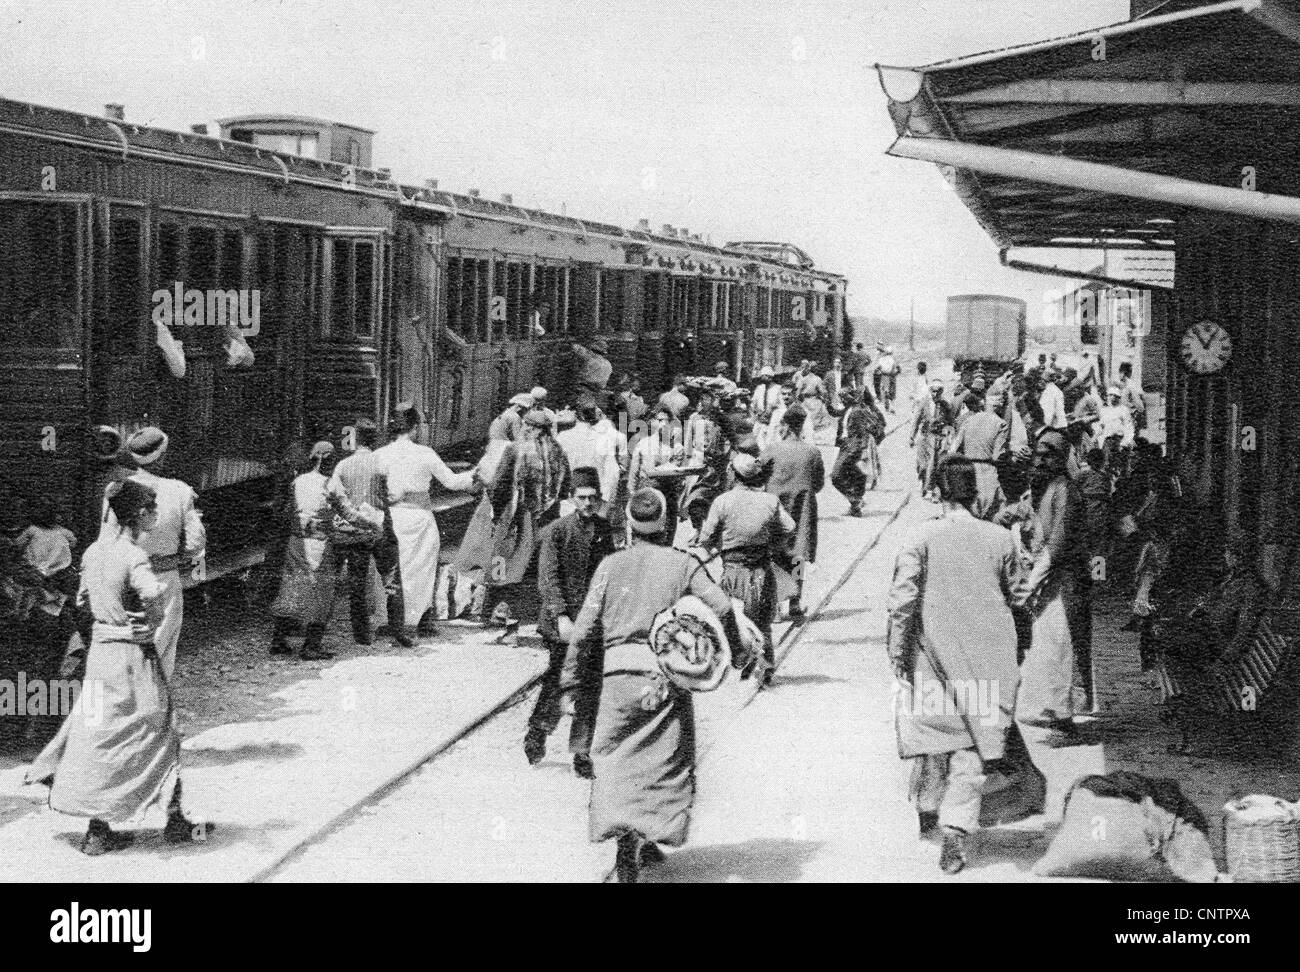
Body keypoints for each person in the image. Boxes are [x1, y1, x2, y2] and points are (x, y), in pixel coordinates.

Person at [559, 487, 758, 882]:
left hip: (616, 681)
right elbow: (722, 606)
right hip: (663, 680)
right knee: (664, 760)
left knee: (614, 761)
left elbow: (584, 629)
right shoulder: (683, 564)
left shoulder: (610, 566)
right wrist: (737, 652)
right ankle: (645, 834)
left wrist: (570, 682)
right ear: (665, 525)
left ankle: (626, 838)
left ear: (630, 526)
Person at [27, 479, 212, 855]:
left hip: (101, 654)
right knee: (160, 730)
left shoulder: (94, 551)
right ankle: (175, 821)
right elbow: (154, 595)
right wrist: (146, 622)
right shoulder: (134, 556)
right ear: (139, 514)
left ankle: (98, 831)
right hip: (132, 655)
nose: (156, 516)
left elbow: (82, 599)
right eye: (152, 510)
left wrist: (107, 617)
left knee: (101, 734)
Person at [886, 456, 1022, 874]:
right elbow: (1019, 597)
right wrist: (1016, 650)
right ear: (976, 495)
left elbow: (902, 601)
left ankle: (928, 806)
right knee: (971, 748)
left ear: (937, 494)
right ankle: (955, 831)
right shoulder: (1001, 538)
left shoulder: (920, 537)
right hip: (986, 661)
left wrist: (898, 652)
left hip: (932, 658)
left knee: (933, 739)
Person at [995, 429, 1088, 740]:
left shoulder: (1066, 491)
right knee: (1046, 645)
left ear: (1060, 460)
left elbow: (1056, 545)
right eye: (1039, 454)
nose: (1041, 460)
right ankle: (1050, 707)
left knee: (1061, 644)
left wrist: (1029, 585)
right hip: (1048, 579)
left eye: (1049, 455)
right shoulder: (1042, 489)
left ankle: (1063, 714)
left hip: (1064, 580)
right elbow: (1021, 517)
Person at [525, 467, 615, 777]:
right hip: (561, 622)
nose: (588, 503)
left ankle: (581, 752)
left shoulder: (604, 529)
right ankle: (538, 730)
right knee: (557, 679)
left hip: (593, 621)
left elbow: (608, 575)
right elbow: (548, 579)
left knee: (591, 686)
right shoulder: (556, 531)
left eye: (593, 498)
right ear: (572, 498)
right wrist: (562, 616)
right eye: (582, 497)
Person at [100, 426, 205, 680]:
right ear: (162, 456)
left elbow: (106, 540)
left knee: (126, 645)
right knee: (161, 648)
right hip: (163, 578)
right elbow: (196, 542)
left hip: (124, 580)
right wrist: (175, 559)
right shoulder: (180, 490)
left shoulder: (116, 489)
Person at [373, 404, 479, 644]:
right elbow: (452, 482)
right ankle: (415, 619)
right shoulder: (425, 453)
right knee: (419, 569)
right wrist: (476, 473)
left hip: (390, 517)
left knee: (390, 569)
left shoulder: (379, 455)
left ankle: (390, 620)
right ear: (414, 427)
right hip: (419, 517)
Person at [698, 453, 793, 686]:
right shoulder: (770, 500)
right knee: (762, 621)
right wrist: (771, 540)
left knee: (731, 620)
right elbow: (789, 527)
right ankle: (765, 667)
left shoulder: (722, 501)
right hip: (761, 570)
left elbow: (705, 538)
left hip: (733, 571)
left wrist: (719, 542)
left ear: (734, 474)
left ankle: (740, 664)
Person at [481, 410, 571, 624]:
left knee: (502, 559)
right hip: (547, 518)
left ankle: (495, 608)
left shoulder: (515, 449)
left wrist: (496, 512)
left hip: (516, 516)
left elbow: (499, 485)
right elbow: (566, 486)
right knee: (538, 563)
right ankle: (530, 612)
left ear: (529, 427)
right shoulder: (558, 451)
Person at [268, 442, 344, 660]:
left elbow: (286, 510)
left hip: (296, 542)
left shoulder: (298, 481)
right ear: (330, 460)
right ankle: (311, 646)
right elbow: (344, 510)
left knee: (291, 589)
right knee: (322, 592)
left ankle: (278, 641)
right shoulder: (331, 484)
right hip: (319, 543)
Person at [325, 418, 393, 646]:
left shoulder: (343, 465)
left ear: (356, 439)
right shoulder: (381, 465)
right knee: (359, 584)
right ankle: (361, 635)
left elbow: (332, 494)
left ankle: (317, 628)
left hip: (342, 530)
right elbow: (389, 496)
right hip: (366, 532)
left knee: (330, 580)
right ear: (374, 440)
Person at [761, 404, 825, 619]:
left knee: (774, 555)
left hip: (775, 511)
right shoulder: (813, 452)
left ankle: (775, 606)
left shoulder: (771, 449)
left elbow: (757, 474)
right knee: (799, 556)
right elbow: (818, 484)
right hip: (803, 511)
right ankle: (795, 602)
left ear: (787, 426)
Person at [947, 391, 1008, 520]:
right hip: (987, 471)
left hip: (967, 469)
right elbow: (997, 456)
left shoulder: (968, 420)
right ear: (1000, 405)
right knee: (993, 511)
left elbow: (952, 450)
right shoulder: (1000, 424)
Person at [557, 400, 621, 514]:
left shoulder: (562, 437)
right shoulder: (603, 439)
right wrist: (606, 501)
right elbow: (613, 472)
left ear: (576, 415)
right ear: (594, 417)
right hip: (594, 498)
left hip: (569, 498)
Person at [682, 389, 732, 534]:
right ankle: (697, 530)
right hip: (697, 461)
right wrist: (686, 464)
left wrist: (721, 456)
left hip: (715, 464)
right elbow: (688, 443)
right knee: (693, 497)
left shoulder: (720, 419)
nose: (704, 401)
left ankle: (710, 531)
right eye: (702, 398)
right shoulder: (694, 418)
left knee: (711, 497)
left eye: (708, 398)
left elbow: (728, 441)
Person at [831, 386, 885, 516]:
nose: (842, 400)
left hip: (853, 446)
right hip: (845, 445)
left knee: (836, 475)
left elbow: (869, 428)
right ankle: (855, 506)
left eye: (844, 397)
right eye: (841, 397)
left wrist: (863, 448)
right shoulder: (847, 409)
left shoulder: (858, 411)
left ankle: (855, 500)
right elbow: (835, 412)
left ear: (850, 397)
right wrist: (827, 402)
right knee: (853, 474)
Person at [910, 379, 955, 501]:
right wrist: (911, 436)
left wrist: (949, 436)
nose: (935, 394)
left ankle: (931, 489)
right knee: (922, 464)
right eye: (933, 391)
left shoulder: (945, 405)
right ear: (930, 391)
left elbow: (951, 422)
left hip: (937, 437)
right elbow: (916, 419)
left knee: (933, 463)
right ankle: (924, 484)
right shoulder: (924, 402)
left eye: (938, 392)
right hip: (924, 435)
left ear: (941, 392)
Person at [572, 338, 614, 408]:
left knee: (585, 408)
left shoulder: (591, 360)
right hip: (598, 391)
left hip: (586, 390)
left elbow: (577, 348)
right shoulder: (608, 363)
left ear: (593, 350)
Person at [1117, 361, 1146, 433]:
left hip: (1130, 416)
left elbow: (1140, 405)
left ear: (1124, 373)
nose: (1119, 375)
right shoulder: (1119, 384)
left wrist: (1133, 409)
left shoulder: (1131, 385)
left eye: (1121, 373)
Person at [874, 346, 899, 413]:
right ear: (891, 353)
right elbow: (897, 369)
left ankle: (887, 407)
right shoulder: (893, 359)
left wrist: (880, 371)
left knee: (885, 391)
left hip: (884, 376)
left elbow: (877, 368)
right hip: (892, 376)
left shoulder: (881, 359)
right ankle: (892, 406)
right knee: (892, 391)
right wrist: (895, 373)